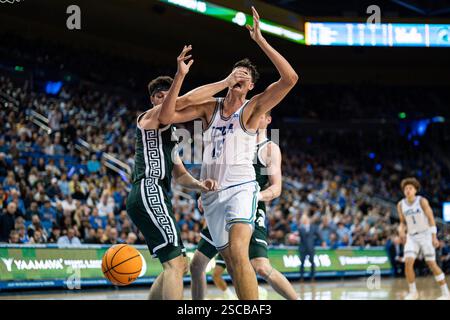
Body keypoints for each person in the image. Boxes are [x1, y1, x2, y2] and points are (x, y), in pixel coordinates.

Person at [160, 7, 298, 299]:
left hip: (241, 188)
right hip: (211, 196)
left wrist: (260, 40)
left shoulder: (252, 108)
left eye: (245, 76)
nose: (240, 76)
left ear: (250, 86)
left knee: (238, 251)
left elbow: (290, 79)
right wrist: (190, 77)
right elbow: (170, 112)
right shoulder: (210, 107)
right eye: (237, 72)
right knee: (235, 265)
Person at [125, 46, 238, 300]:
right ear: (154, 99)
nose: (166, 100)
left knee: (175, 265)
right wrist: (224, 81)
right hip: (148, 188)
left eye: (167, 95)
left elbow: (180, 175)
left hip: (154, 193)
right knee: (176, 265)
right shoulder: (148, 118)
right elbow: (185, 101)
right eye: (161, 96)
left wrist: (201, 184)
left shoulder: (171, 136)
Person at [190, 112, 299, 300]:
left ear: (268, 120)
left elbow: (276, 188)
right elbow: (218, 174)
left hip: (250, 208)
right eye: (253, 115)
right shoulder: (235, 145)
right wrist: (205, 191)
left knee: (261, 266)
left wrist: (254, 196)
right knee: (197, 265)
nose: (256, 118)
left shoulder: (269, 148)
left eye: (261, 115)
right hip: (224, 206)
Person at [397, 177, 450, 300]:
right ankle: (413, 292)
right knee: (408, 262)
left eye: (410, 188)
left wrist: (434, 237)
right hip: (411, 236)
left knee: (431, 263)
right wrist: (401, 230)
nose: (408, 190)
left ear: (415, 190)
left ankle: (446, 293)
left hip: (425, 234)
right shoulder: (400, 204)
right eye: (405, 189)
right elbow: (402, 222)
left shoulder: (422, 201)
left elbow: (431, 218)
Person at [298, 214, 325, 282]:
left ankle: (312, 277)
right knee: (302, 263)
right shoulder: (300, 228)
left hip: (311, 247)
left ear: (308, 220)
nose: (304, 220)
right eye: (303, 219)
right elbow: (299, 237)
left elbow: (318, 234)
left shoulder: (313, 227)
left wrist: (322, 241)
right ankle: (301, 277)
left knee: (312, 262)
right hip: (303, 248)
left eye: (305, 219)